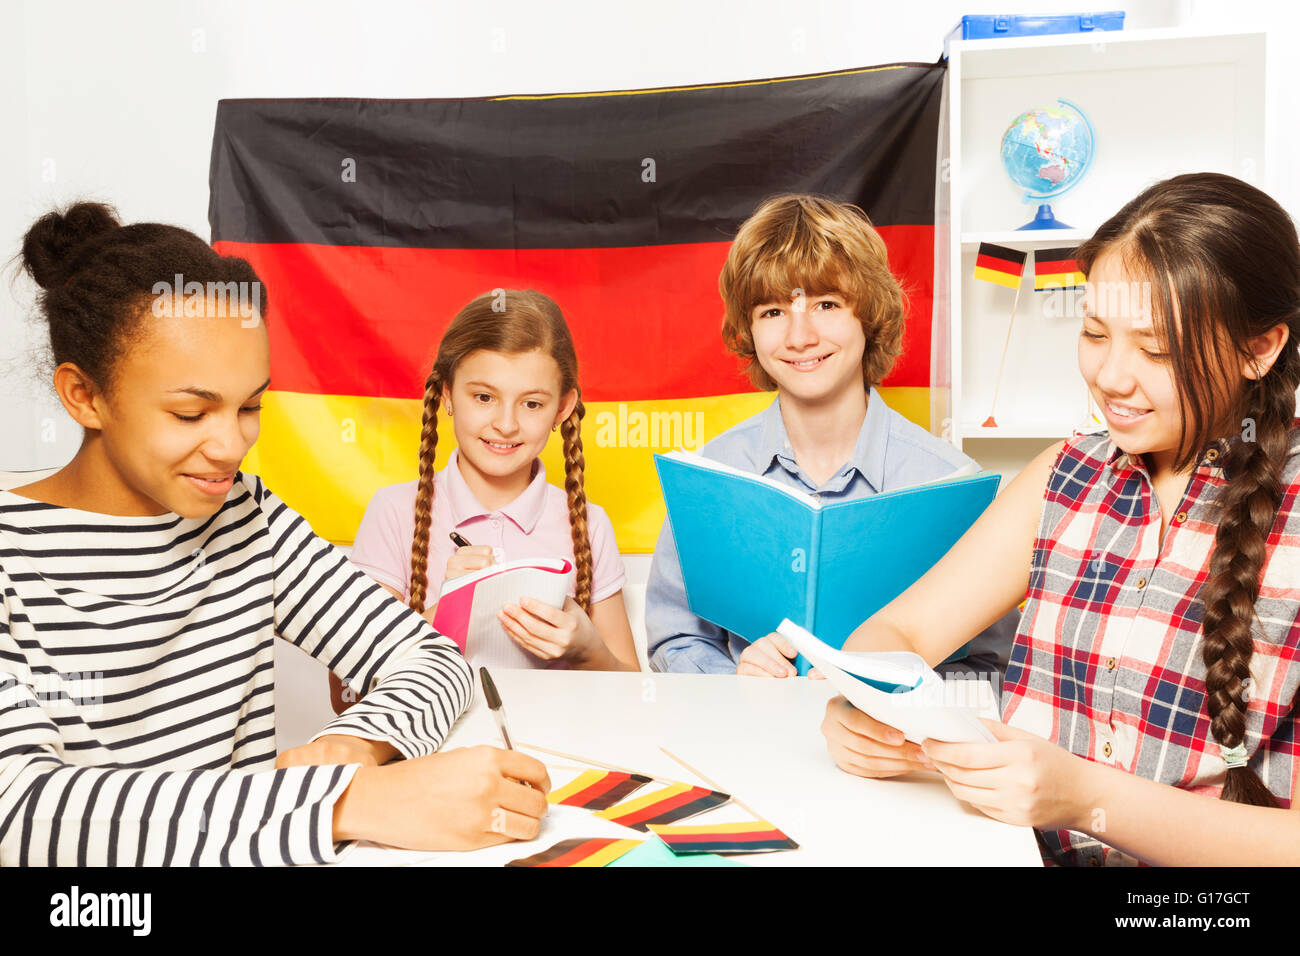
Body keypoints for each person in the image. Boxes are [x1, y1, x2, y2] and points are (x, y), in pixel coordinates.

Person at [0, 203, 549, 865]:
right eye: (190, 411)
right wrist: (346, 802)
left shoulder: (245, 516)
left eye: (251, 405)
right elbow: (23, 813)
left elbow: (431, 658)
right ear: (84, 396)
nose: (231, 445)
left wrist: (355, 747)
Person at [821, 173, 1300, 866]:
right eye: (1094, 333)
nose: (1109, 376)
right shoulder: (1065, 475)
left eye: (1156, 350)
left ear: (1260, 347)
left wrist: (1084, 798)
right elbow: (903, 629)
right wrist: (867, 705)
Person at [644, 193, 1017, 677]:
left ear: (869, 315)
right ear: (748, 330)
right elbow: (675, 638)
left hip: (888, 750)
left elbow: (990, 665)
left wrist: (890, 687)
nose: (800, 337)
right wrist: (731, 681)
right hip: (743, 742)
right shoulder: (710, 476)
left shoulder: (947, 483)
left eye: (825, 304)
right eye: (773, 312)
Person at [331, 290, 636, 711]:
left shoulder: (588, 524)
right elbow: (345, 698)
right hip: (431, 762)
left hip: (555, 759)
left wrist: (588, 651)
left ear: (563, 408)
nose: (506, 424)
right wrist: (444, 616)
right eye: (483, 397)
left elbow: (636, 699)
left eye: (531, 403)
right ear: (447, 394)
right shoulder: (393, 513)